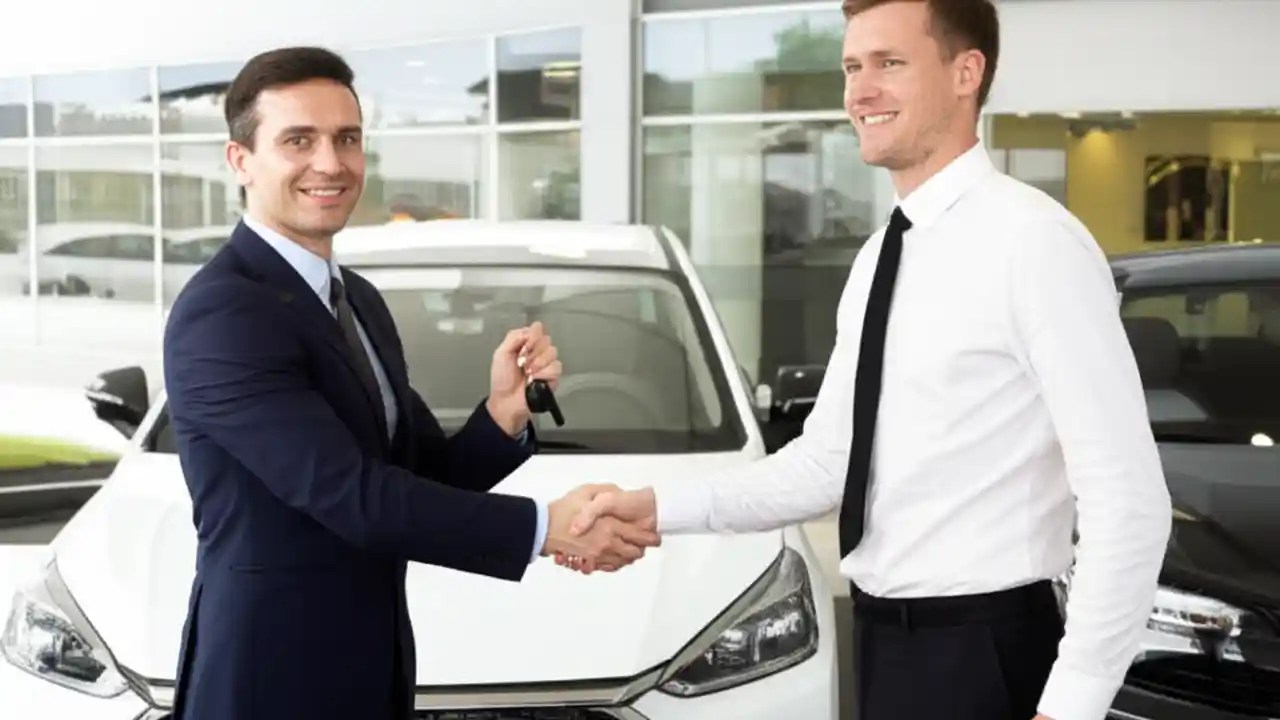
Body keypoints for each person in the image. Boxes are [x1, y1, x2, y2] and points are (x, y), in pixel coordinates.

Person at [560, 2, 1172, 719]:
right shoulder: (882, 255)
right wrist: (657, 507)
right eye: (853, 67)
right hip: (886, 648)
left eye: (890, 64)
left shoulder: (1034, 245)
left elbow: (1128, 500)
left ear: (966, 72)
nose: (861, 91)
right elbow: (826, 464)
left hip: (987, 655)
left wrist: (1074, 703)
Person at [162, 46, 657, 720]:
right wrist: (548, 528)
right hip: (269, 679)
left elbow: (418, 471)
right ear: (240, 160)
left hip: (372, 666)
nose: (330, 163)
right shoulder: (222, 313)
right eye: (298, 140)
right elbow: (351, 495)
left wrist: (501, 415)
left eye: (347, 139)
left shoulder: (357, 299)